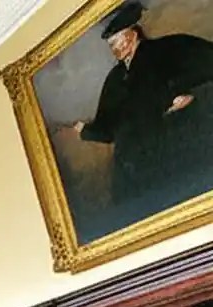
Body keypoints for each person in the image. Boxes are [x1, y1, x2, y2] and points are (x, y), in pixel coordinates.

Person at [69, 2, 213, 226]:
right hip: (132, 169)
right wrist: (84, 130)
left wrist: (189, 95)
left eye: (117, 41)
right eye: (111, 45)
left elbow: (207, 68)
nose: (115, 49)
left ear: (132, 35)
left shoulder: (169, 49)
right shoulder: (115, 79)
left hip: (172, 151)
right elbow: (108, 129)